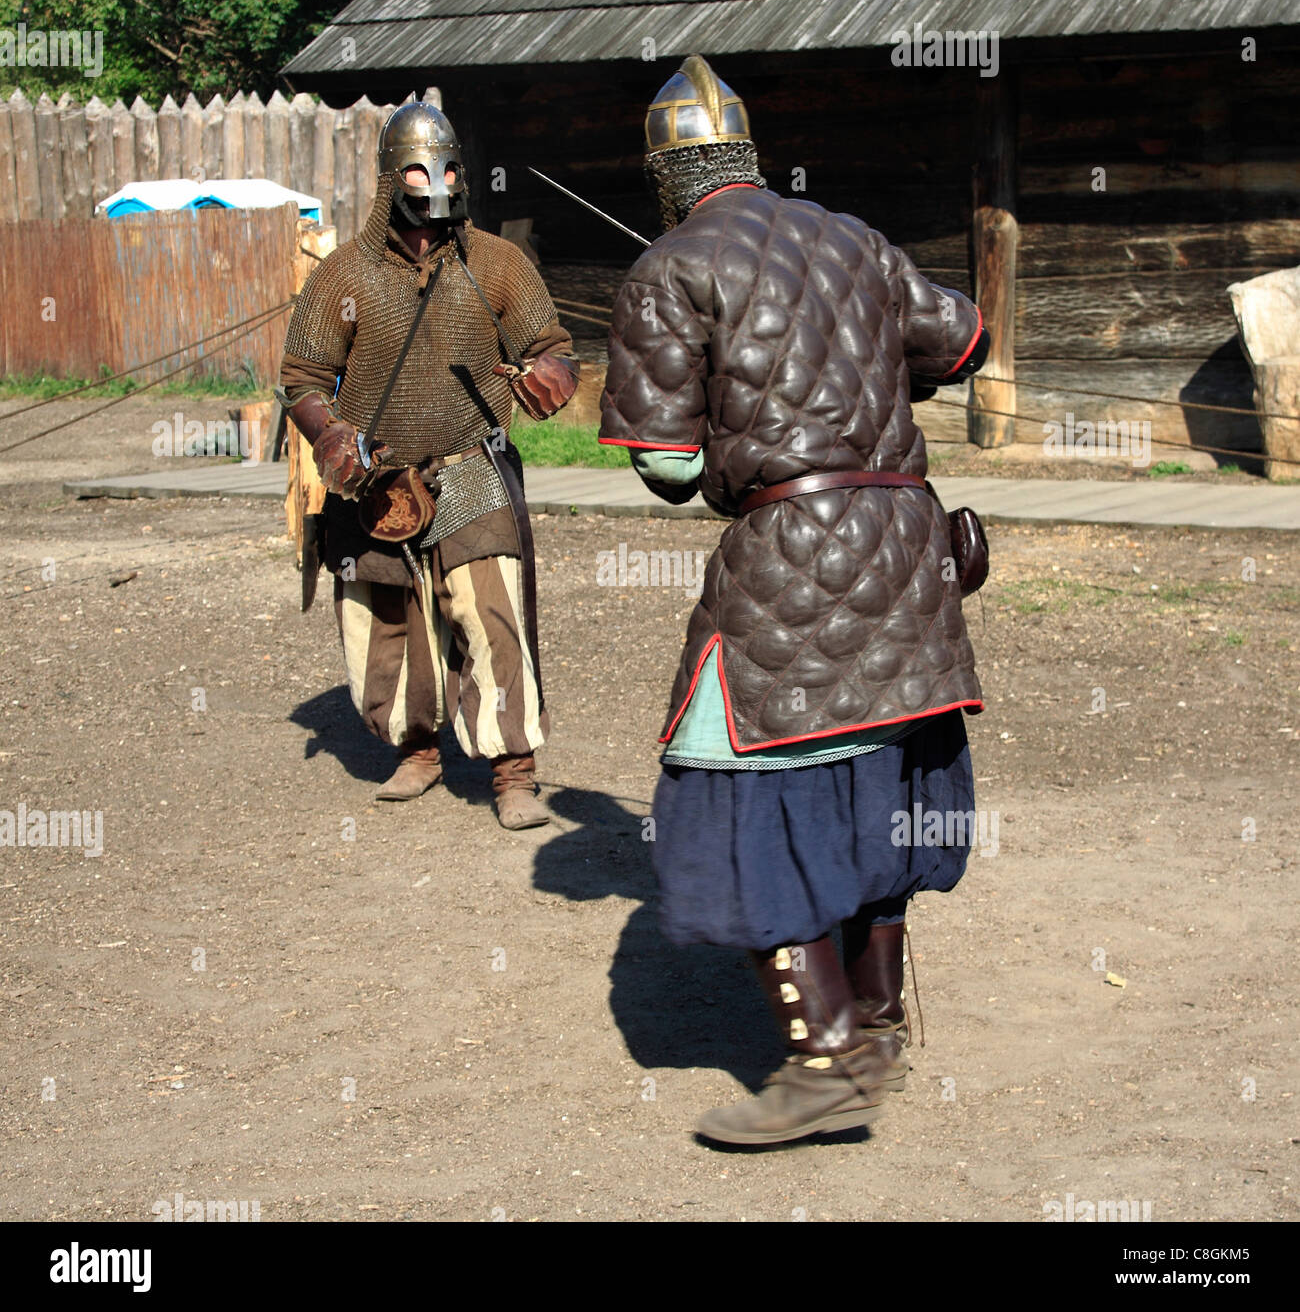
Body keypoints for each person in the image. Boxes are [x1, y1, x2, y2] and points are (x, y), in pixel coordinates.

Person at [600, 56, 991, 1144]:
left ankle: (826, 1062)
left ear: (667, 173)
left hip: (788, 552)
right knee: (876, 776)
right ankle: (877, 1023)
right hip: (910, 549)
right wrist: (857, 361)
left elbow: (668, 467)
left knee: (736, 792)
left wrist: (746, 435)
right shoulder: (855, 237)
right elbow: (961, 338)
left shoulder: (668, 266)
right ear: (751, 156)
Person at [278, 101, 578, 830]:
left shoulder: (497, 263)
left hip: (470, 468)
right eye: (418, 167)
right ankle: (417, 750)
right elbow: (302, 377)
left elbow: (550, 343)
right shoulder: (345, 274)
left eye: (447, 166)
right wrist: (330, 435)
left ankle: (513, 771)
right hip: (376, 480)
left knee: (491, 618)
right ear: (390, 178)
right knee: (386, 623)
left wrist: (550, 375)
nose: (436, 179)